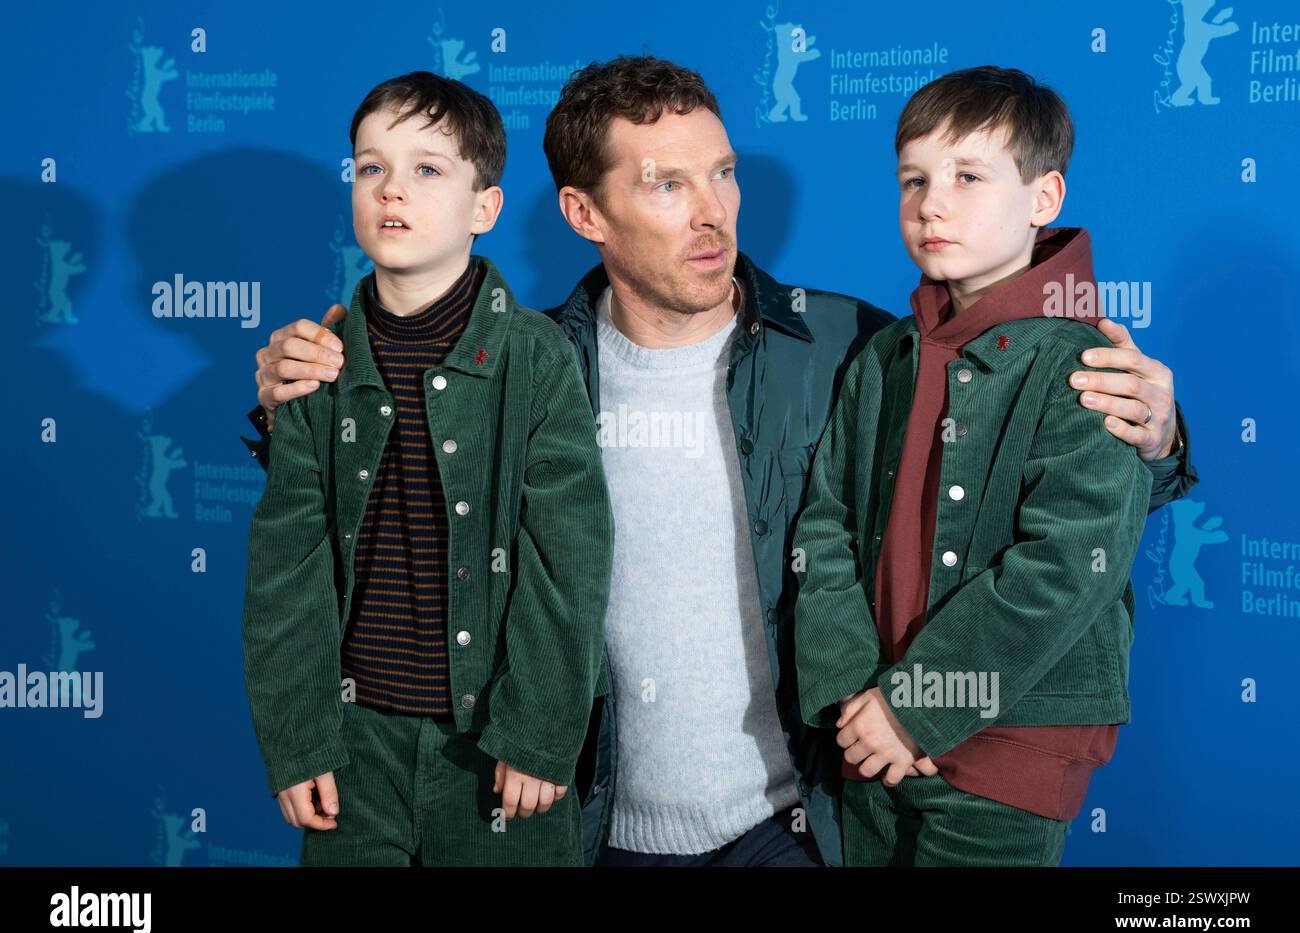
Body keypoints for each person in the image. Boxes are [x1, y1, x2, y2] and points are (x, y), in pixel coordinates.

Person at [241, 57, 1196, 867]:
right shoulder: (519, 365)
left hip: (798, 827)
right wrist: (289, 402)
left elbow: (1035, 505)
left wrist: (1159, 438)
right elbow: (386, 509)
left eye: (724, 174)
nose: (713, 214)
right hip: (583, 817)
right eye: (666, 185)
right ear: (584, 212)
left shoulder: (851, 345)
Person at [241, 70, 613, 866]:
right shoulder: (318, 364)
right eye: (371, 167)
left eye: (427, 169)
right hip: (353, 751)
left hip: (494, 747)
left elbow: (568, 563)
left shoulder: (538, 360)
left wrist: (542, 731)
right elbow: (287, 569)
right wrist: (298, 738)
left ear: (486, 207)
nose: (391, 190)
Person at [794, 66, 1157, 866]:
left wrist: (919, 706)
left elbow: (1063, 568)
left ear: (1044, 199)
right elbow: (825, 528)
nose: (932, 202)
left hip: (1009, 749)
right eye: (913, 179)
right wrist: (859, 697)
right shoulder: (885, 356)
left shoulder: (1091, 366)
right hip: (875, 734)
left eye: (968, 176)